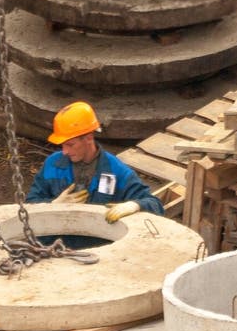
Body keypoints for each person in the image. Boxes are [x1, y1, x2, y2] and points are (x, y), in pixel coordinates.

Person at [26, 101, 164, 247]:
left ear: (88, 138)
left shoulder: (115, 170)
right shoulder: (52, 164)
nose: (65, 151)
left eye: (70, 144)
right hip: (52, 247)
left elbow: (155, 205)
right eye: (62, 145)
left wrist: (135, 205)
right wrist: (53, 205)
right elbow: (30, 204)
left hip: (96, 250)